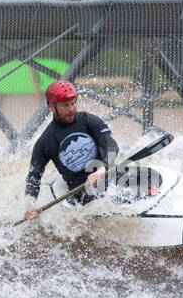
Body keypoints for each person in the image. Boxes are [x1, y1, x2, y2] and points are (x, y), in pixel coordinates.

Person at [24, 80, 120, 220]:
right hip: (83, 198)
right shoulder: (45, 142)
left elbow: (111, 146)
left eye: (73, 103)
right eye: (65, 105)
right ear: (51, 106)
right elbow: (33, 179)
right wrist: (29, 206)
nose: (71, 109)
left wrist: (102, 169)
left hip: (110, 179)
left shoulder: (88, 120)